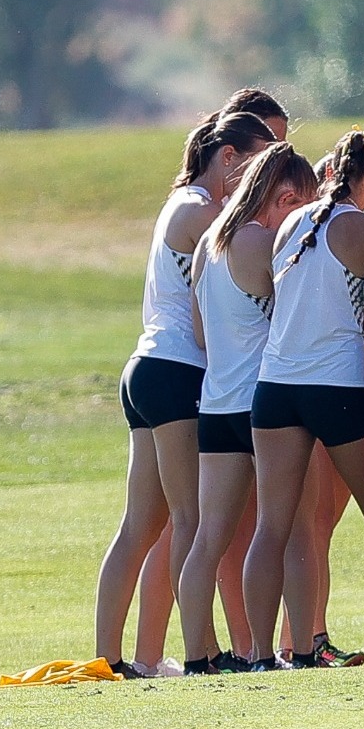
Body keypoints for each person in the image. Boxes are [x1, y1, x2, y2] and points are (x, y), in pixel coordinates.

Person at [96, 111, 274, 677]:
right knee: (192, 521)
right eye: (253, 167)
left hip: (147, 368)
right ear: (227, 158)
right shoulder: (202, 210)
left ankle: (111, 660)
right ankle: (204, 650)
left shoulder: (183, 202)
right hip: (175, 371)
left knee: (144, 524)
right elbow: (254, 243)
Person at [246, 129, 364, 669]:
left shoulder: (287, 226)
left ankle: (262, 655)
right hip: (338, 388)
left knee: (273, 527)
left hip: (275, 387)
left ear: (330, 171)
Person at [178, 142, 318, 674]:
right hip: (265, 404)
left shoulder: (207, 243)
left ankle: (198, 655)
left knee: (209, 539)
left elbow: (199, 332)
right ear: (282, 196)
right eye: (299, 206)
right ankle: (287, 648)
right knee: (292, 529)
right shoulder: (262, 241)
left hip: (216, 403)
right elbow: (297, 315)